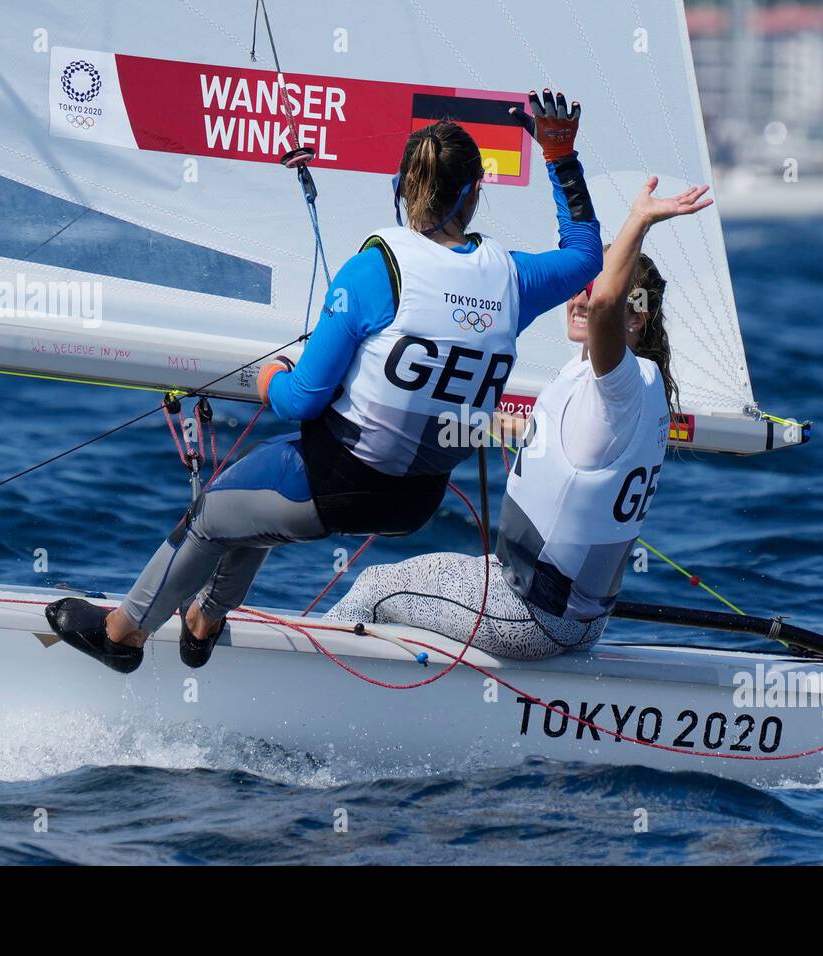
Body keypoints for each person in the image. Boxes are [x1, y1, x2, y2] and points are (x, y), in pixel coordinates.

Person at [46, 89, 602, 673]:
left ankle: (123, 633)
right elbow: (586, 253)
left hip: (332, 486)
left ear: (403, 187)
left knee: (211, 516)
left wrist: (269, 380)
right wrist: (561, 156)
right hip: (416, 501)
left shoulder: (376, 270)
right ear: (475, 193)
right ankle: (202, 623)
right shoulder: (515, 279)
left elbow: (302, 400)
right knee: (253, 504)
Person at [325, 176, 712, 659]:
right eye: (581, 285)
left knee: (374, 586)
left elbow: (608, 306)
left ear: (636, 318)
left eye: (600, 292)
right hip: (575, 620)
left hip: (528, 614)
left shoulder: (620, 384)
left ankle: (309, 696)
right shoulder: (635, 384)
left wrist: (639, 220)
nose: (584, 297)